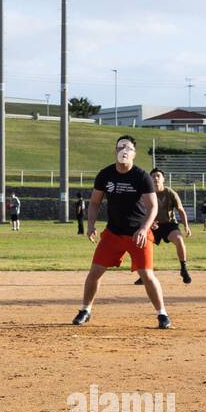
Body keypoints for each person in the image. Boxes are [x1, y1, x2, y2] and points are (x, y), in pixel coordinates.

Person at [71, 135, 170, 329]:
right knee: (94, 272)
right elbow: (95, 202)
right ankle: (85, 310)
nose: (124, 150)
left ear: (134, 153)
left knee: (147, 275)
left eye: (128, 148)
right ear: (115, 151)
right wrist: (90, 224)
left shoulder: (141, 176)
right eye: (120, 147)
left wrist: (144, 228)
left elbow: (153, 208)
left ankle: (162, 314)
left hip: (137, 233)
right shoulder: (105, 174)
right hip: (113, 233)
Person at [134, 169, 192, 285]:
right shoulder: (146, 193)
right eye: (153, 176)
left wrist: (186, 226)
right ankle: (144, 274)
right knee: (141, 244)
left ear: (163, 179)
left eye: (158, 176)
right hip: (152, 225)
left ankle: (184, 269)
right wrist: (148, 224)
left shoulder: (170, 193)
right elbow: (140, 211)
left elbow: (180, 210)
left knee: (179, 240)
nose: (155, 178)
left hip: (169, 224)